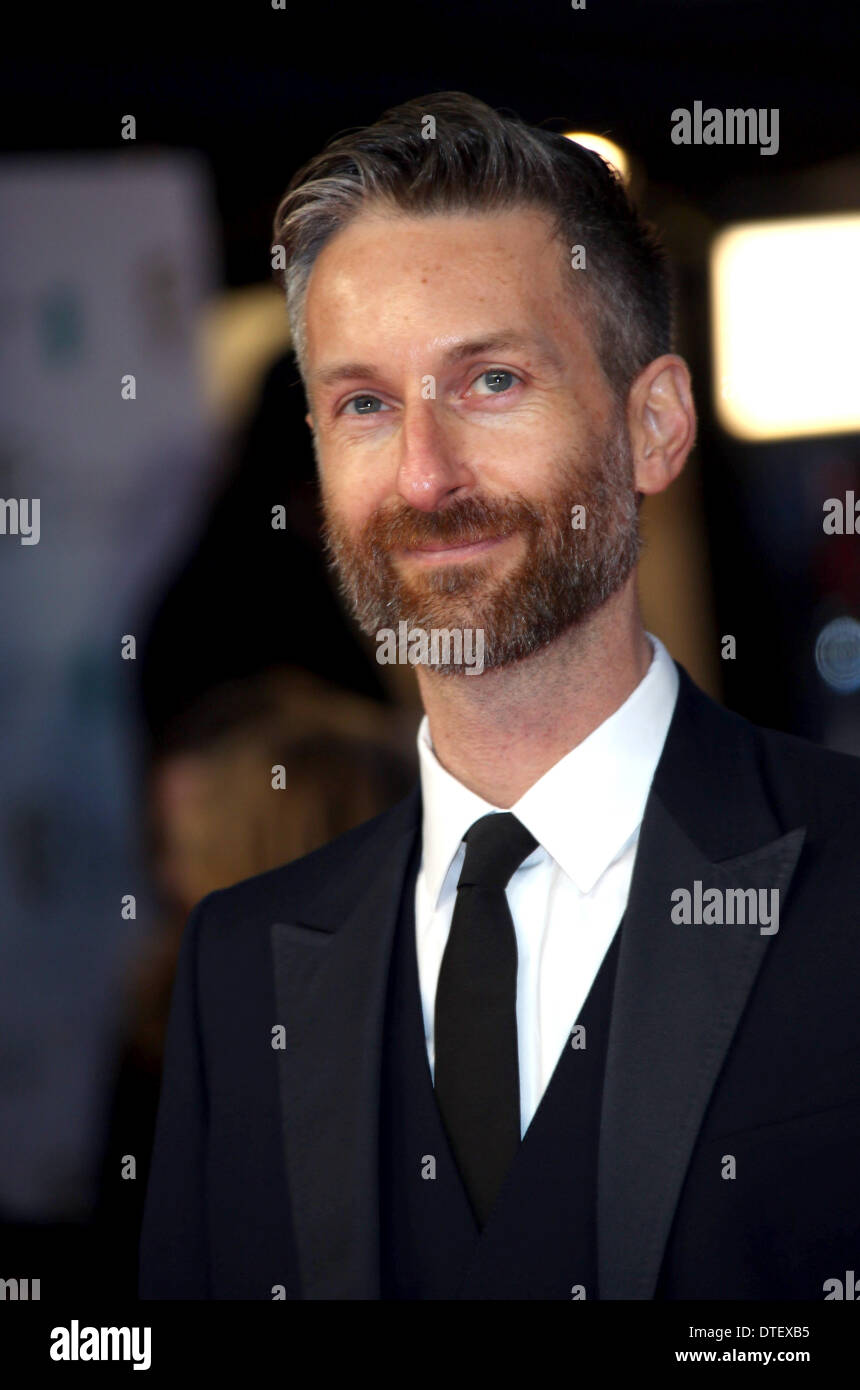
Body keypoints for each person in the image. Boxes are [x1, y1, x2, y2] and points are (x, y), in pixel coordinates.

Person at [139, 92, 860, 1300]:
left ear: (653, 425)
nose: (424, 476)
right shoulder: (243, 965)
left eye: (490, 383)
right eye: (365, 404)